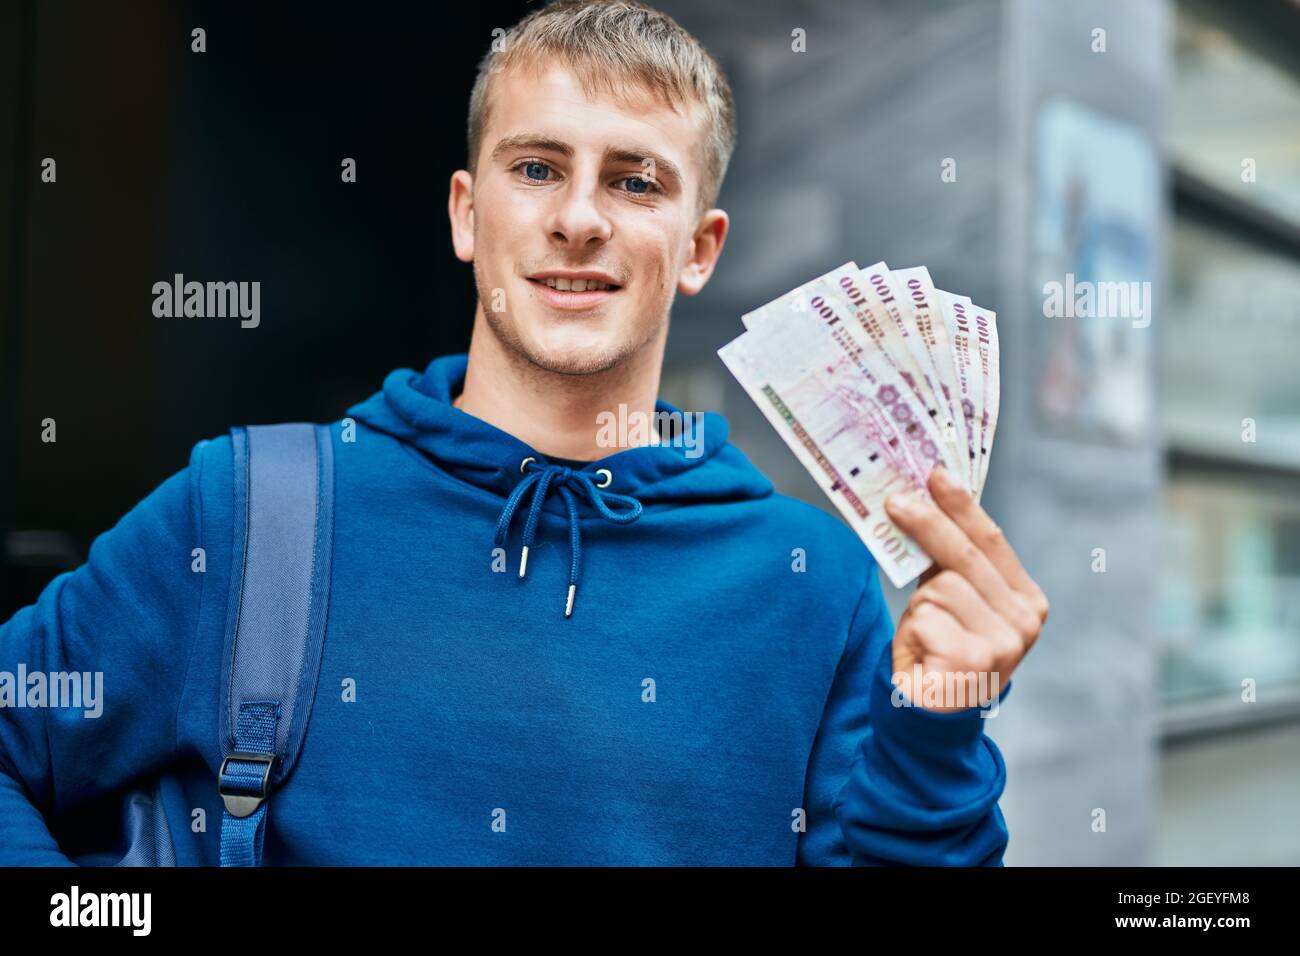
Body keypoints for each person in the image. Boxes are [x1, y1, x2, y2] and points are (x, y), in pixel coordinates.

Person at [0, 0, 1048, 866]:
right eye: (537, 168)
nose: (579, 217)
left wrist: (939, 721)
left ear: (699, 247)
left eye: (635, 181)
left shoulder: (811, 578)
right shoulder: (246, 509)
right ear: (465, 214)